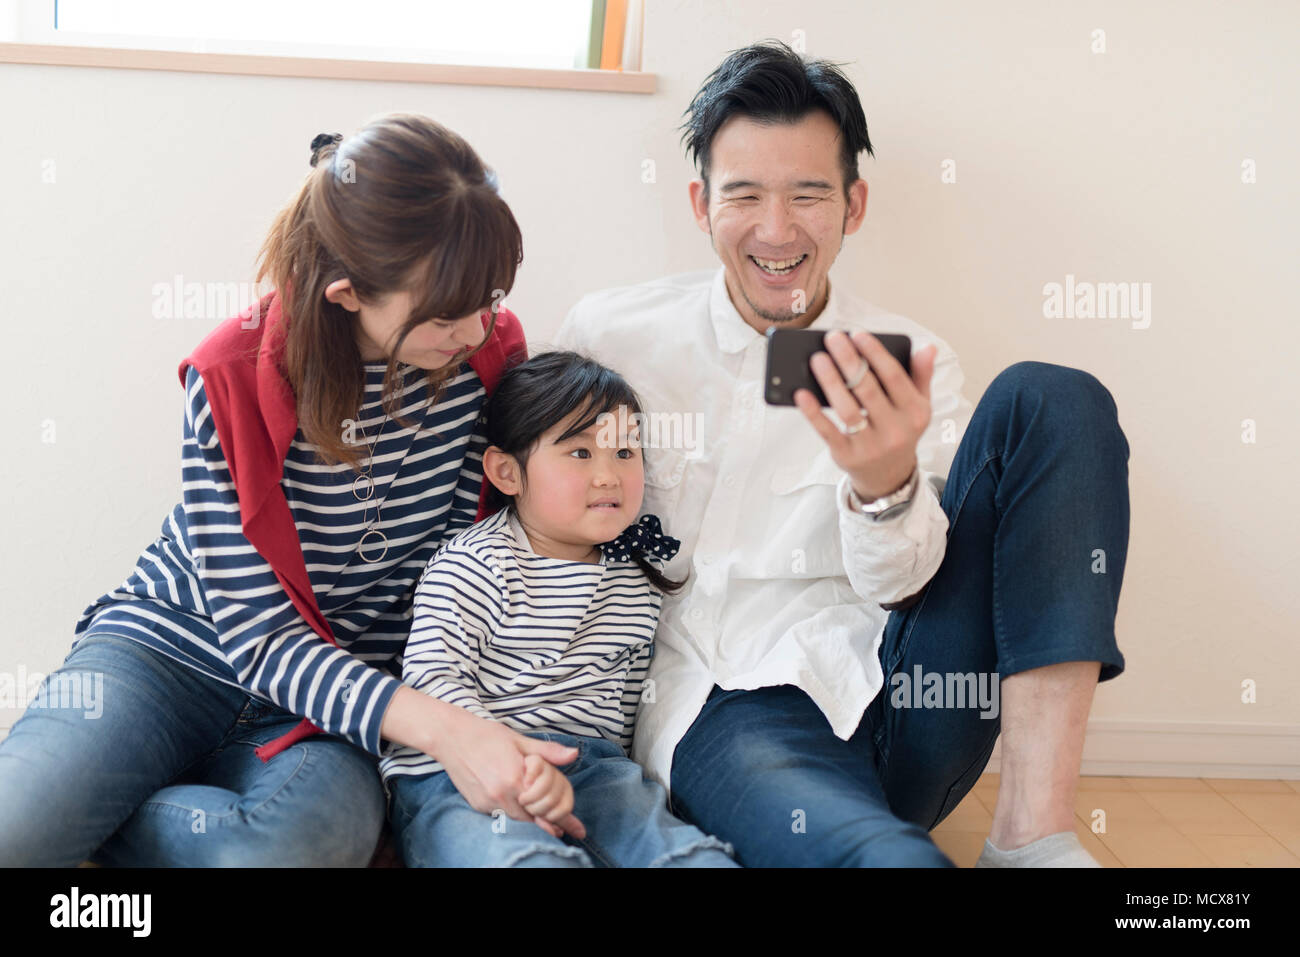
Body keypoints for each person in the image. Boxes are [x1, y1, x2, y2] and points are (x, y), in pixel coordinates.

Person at [554, 41, 1130, 867]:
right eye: (744, 195)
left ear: (854, 205)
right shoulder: (613, 337)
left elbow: (911, 585)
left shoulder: (907, 359)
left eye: (808, 195)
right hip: (733, 701)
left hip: (911, 694)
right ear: (699, 203)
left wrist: (883, 485)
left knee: (1055, 396)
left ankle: (1033, 835)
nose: (776, 229)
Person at [0, 113, 582, 866]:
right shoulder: (231, 372)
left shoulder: (489, 356)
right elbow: (261, 637)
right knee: (17, 834)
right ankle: (87, 806)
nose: (477, 328)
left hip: (334, 701)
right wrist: (449, 729)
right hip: (171, 651)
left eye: (491, 297)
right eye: (446, 312)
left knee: (294, 849)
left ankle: (114, 821)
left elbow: (482, 555)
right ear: (347, 293)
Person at [381, 351, 738, 867]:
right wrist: (514, 762)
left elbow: (628, 707)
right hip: (461, 773)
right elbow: (431, 678)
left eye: (624, 452)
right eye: (579, 454)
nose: (608, 476)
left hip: (592, 771)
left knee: (689, 858)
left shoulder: (636, 577)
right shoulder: (476, 563)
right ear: (507, 472)